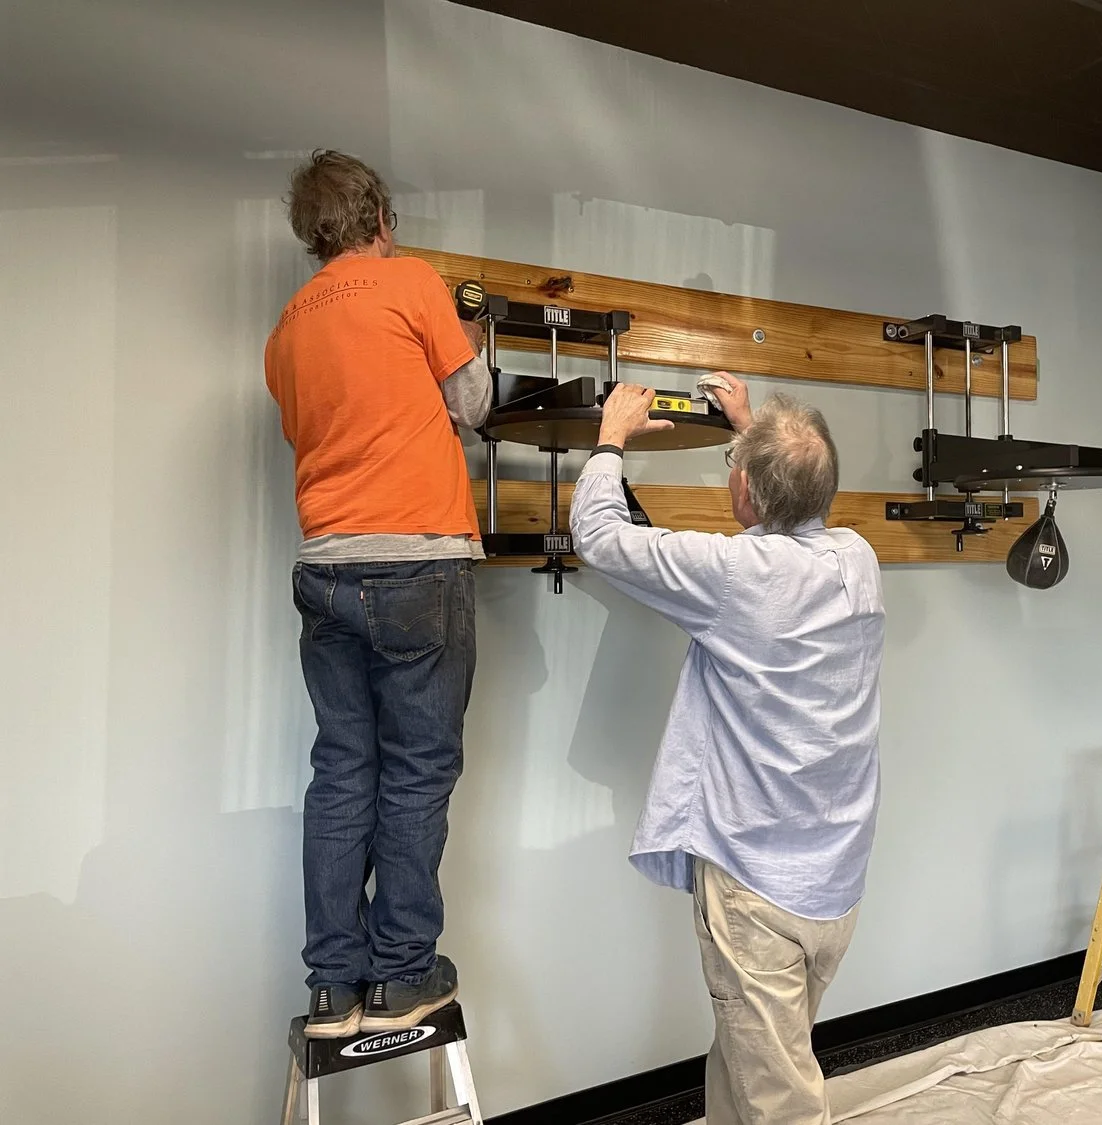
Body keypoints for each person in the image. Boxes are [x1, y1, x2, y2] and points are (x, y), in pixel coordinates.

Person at [570, 378, 885, 1125]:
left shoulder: (737, 576)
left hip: (755, 884)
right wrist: (753, 436)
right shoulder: (858, 559)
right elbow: (795, 506)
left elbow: (600, 536)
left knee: (781, 1096)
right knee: (753, 1058)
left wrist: (611, 438)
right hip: (833, 880)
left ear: (745, 489)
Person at [264, 150, 493, 1038]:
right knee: (418, 769)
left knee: (342, 770)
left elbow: (316, 429)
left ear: (312, 234)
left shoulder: (286, 329)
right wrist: (462, 347)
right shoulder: (410, 282)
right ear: (380, 220)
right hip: (417, 561)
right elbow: (471, 403)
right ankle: (401, 972)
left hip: (324, 567)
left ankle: (333, 985)